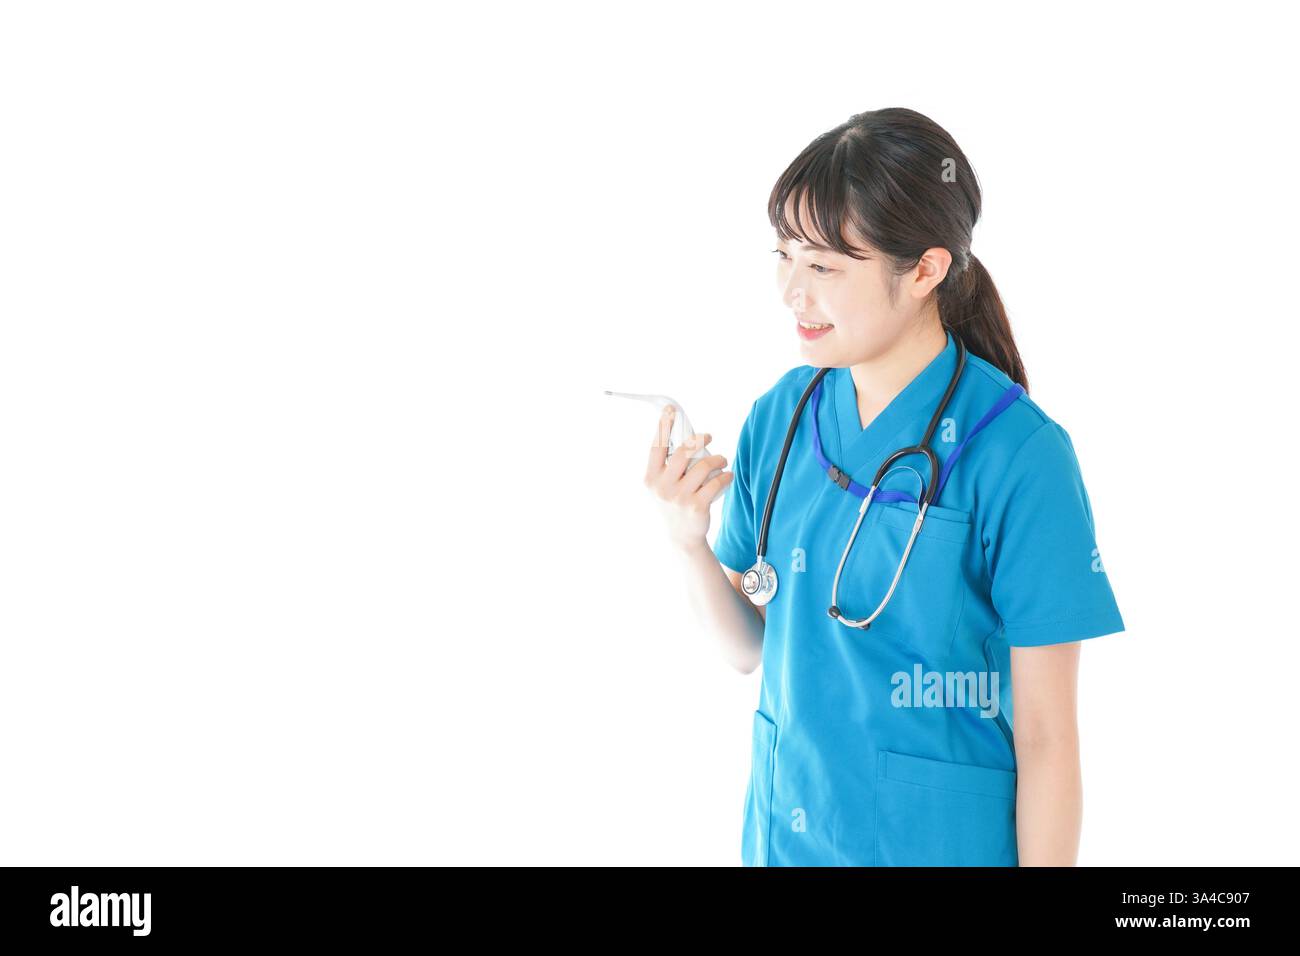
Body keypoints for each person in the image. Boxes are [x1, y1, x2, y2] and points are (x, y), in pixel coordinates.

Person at [644, 107, 1124, 866]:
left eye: (826, 268)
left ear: (926, 270)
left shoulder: (1019, 455)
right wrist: (688, 541)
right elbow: (746, 652)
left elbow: (1047, 739)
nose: (792, 292)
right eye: (785, 256)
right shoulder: (783, 415)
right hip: (788, 837)